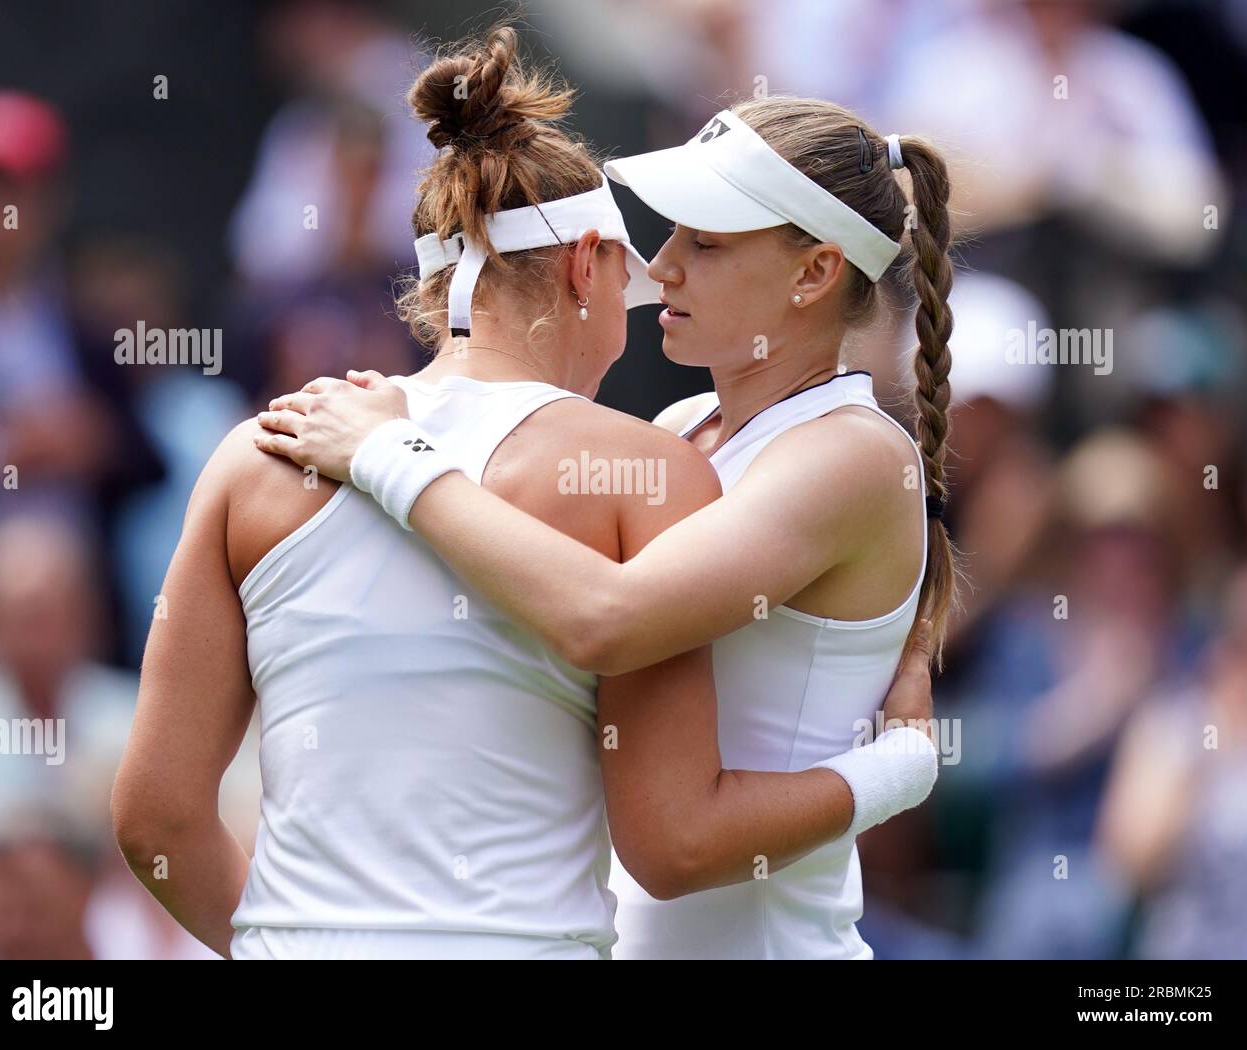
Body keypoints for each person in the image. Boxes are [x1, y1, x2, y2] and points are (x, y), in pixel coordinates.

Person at [116, 26, 939, 961]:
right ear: (585, 265)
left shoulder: (854, 456)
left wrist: (397, 455)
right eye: (660, 241)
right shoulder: (666, 446)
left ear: (817, 272)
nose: (662, 267)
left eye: (702, 243)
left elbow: (608, 623)